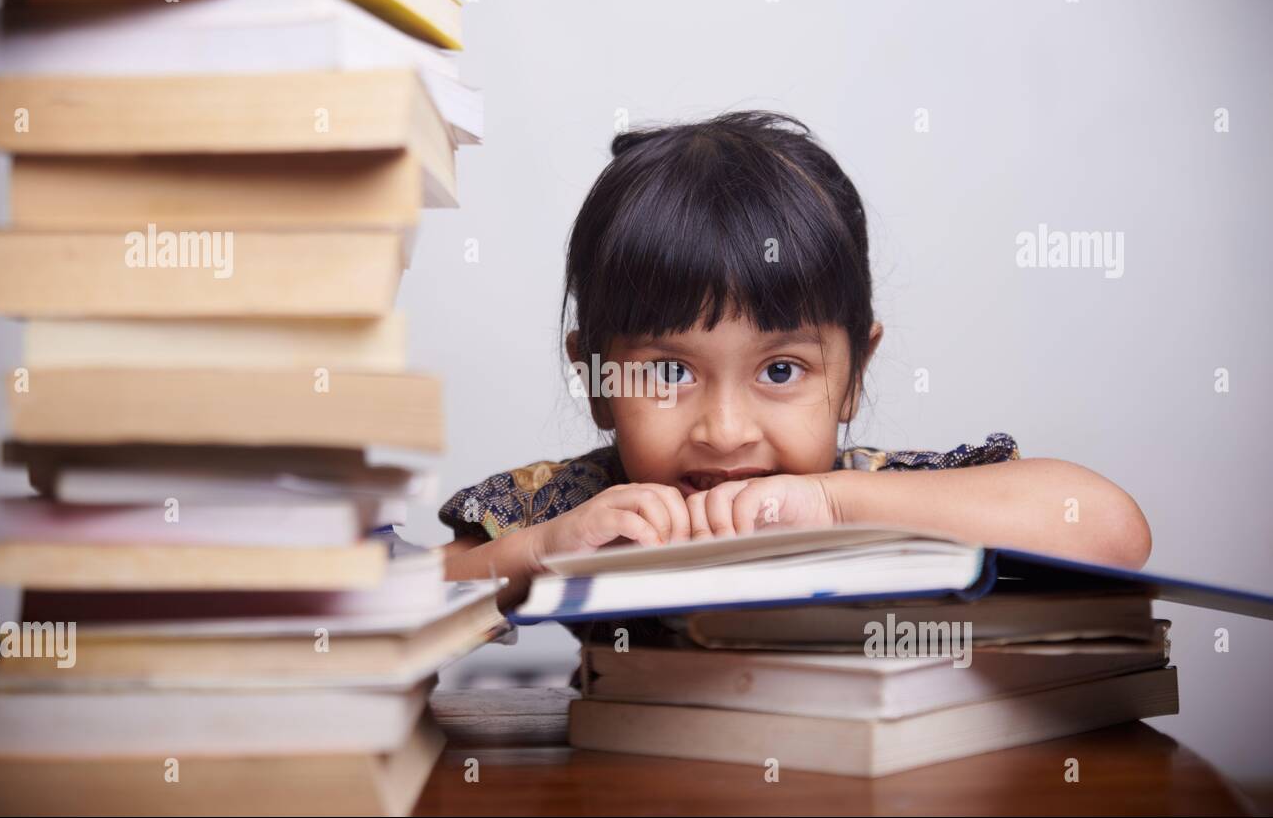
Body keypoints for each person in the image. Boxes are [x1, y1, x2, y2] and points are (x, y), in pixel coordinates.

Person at [438, 111, 1151, 620]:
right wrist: (541, 550)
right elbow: (405, 599)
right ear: (597, 381)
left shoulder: (873, 494)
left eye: (780, 371)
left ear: (854, 375)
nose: (724, 430)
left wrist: (835, 506)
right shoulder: (582, 509)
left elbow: (1113, 530)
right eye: (666, 373)